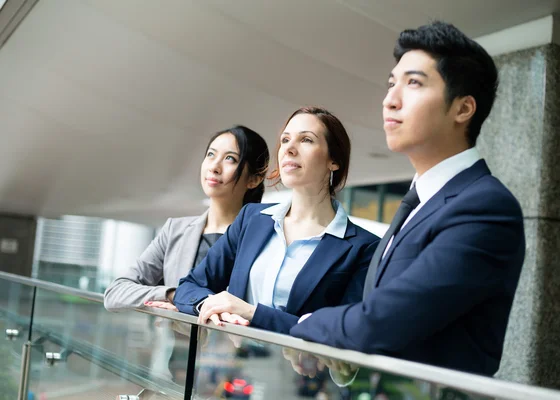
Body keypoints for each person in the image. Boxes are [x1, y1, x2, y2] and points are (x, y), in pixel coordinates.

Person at [290, 21, 526, 377]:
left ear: (463, 109)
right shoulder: (419, 204)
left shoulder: (486, 207)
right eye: (391, 83)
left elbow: (382, 322)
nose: (390, 99)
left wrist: (308, 322)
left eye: (413, 83)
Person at [173, 106, 379, 334]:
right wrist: (212, 307)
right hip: (232, 364)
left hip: (299, 368)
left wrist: (252, 313)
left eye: (306, 140)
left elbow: (344, 332)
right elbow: (190, 286)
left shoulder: (364, 247)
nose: (289, 149)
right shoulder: (252, 219)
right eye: (285, 140)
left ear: (334, 160)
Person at [103, 125, 269, 311]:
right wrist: (173, 295)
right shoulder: (175, 229)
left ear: (254, 179)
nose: (214, 166)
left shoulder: (263, 239)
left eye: (230, 159)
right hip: (173, 339)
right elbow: (114, 292)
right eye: (211, 155)